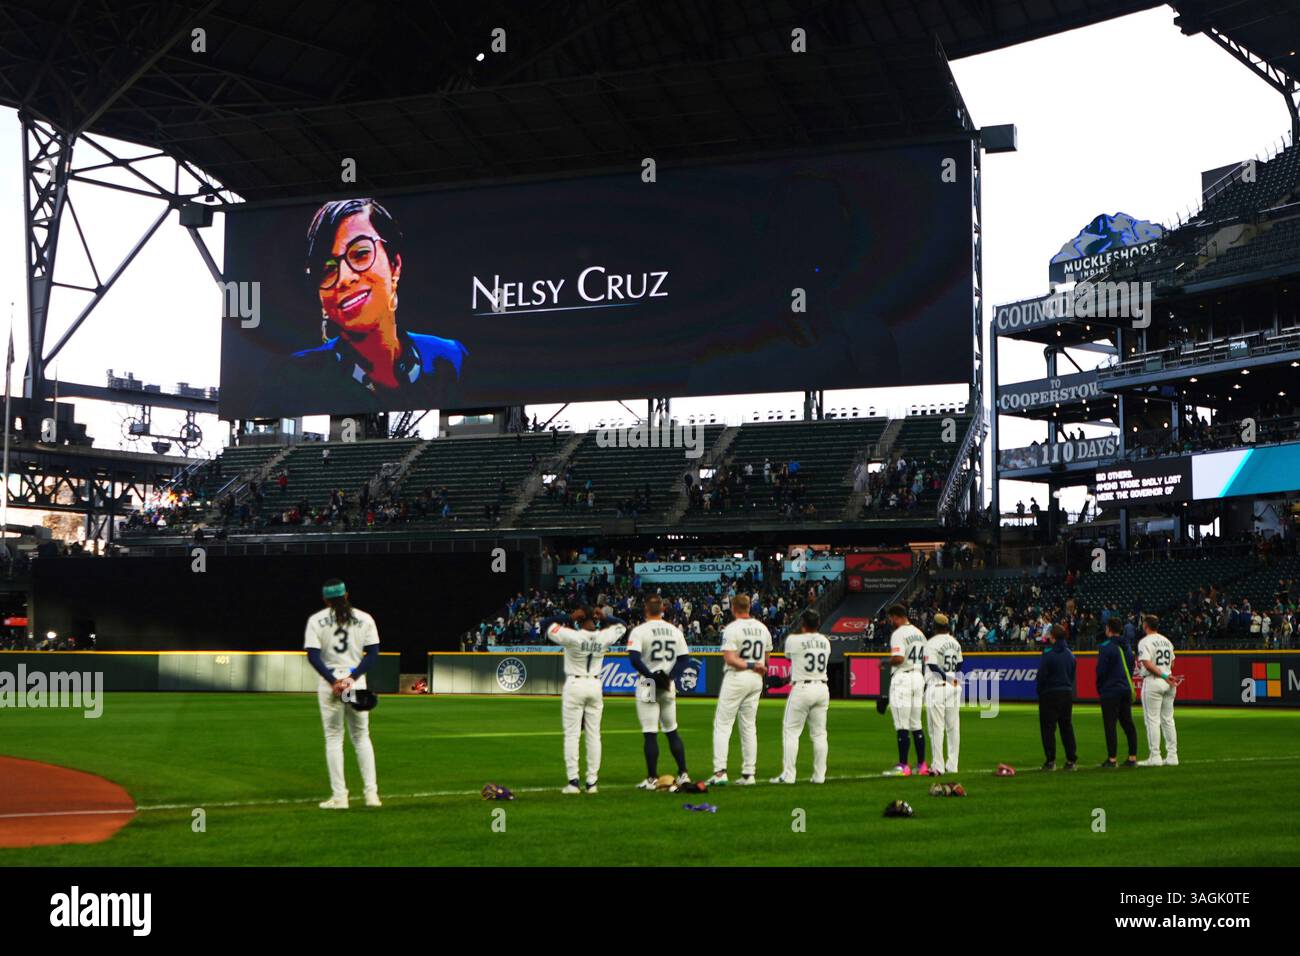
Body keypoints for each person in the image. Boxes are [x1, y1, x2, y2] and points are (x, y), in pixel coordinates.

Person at [292, 198, 468, 406]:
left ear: (394, 265)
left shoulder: (451, 358)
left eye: (360, 254)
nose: (345, 278)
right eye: (328, 269)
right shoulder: (293, 376)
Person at [303, 579, 381, 808]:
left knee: (334, 739)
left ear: (325, 599)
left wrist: (333, 681)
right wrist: (350, 679)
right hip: (354, 685)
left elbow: (313, 656)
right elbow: (373, 654)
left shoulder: (316, 620)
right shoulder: (365, 618)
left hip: (330, 688)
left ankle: (340, 797)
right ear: (346, 595)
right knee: (361, 737)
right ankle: (371, 795)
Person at [542, 604, 627, 793]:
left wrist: (569, 616)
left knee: (572, 735)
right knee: (594, 735)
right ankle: (592, 783)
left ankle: (573, 782)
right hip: (595, 685)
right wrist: (604, 617)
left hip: (575, 684)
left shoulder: (571, 635)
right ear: (594, 618)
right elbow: (622, 625)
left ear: (579, 619)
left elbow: (544, 624)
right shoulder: (604, 636)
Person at [625, 595, 693, 790]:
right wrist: (669, 677)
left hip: (648, 684)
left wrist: (651, 676)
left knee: (650, 733)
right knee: (672, 731)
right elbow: (684, 660)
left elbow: (635, 659)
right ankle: (683, 773)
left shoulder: (639, 631)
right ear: (662, 610)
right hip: (667, 685)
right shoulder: (674, 630)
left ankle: (652, 778)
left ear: (646, 610)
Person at [710, 594, 772, 786]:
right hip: (755, 679)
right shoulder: (763, 628)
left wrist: (751, 664)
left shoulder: (732, 628)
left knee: (723, 724)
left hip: (738, 675)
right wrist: (756, 666)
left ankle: (720, 773)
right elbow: (767, 659)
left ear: (733, 608)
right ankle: (748, 774)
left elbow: (730, 658)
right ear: (749, 608)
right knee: (748, 726)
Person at [770, 608, 831, 784]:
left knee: (791, 732)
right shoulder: (825, 641)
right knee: (819, 735)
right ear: (818, 623)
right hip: (821, 688)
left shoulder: (793, 640)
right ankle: (819, 776)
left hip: (802, 689)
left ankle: (789, 775)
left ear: (803, 624)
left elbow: (790, 658)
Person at [885, 604, 927, 775]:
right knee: (916, 723)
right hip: (918, 676)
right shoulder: (919, 633)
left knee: (902, 724)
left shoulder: (898, 633)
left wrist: (885, 662)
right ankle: (922, 765)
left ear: (896, 617)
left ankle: (903, 765)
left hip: (903, 677)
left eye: (891, 618)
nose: (890, 622)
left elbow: (899, 658)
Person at [1136, 614, 1181, 767]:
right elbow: (1173, 663)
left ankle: (1155, 756)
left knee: (1152, 720)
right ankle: (1172, 756)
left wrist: (1161, 674)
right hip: (1169, 681)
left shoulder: (1145, 641)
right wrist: (1165, 673)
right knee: (1168, 720)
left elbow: (1147, 664)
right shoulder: (1166, 641)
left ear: (1145, 625)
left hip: (1154, 680)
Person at [923, 613, 963, 776]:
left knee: (936, 728)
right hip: (953, 687)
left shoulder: (932, 643)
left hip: (938, 686)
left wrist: (946, 678)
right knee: (953, 728)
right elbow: (960, 664)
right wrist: (952, 678)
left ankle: (938, 766)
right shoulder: (955, 642)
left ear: (934, 626)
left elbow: (932, 666)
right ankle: (953, 765)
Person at [1095, 617, 1138, 768]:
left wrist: (1100, 687)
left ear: (1108, 629)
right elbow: (1132, 666)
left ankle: (1112, 759)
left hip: (1110, 690)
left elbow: (1101, 671)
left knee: (1110, 725)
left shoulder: (1105, 647)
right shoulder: (1127, 646)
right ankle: (1132, 757)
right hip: (1125, 689)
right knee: (1128, 723)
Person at [1036, 623, 1077, 771]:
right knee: (1066, 727)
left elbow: (1041, 677)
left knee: (1048, 729)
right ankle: (1071, 760)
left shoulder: (1048, 654)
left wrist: (1040, 692)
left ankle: (1050, 761)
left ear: (1052, 637)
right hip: (1066, 693)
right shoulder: (1070, 655)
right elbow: (1072, 676)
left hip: (1050, 694)